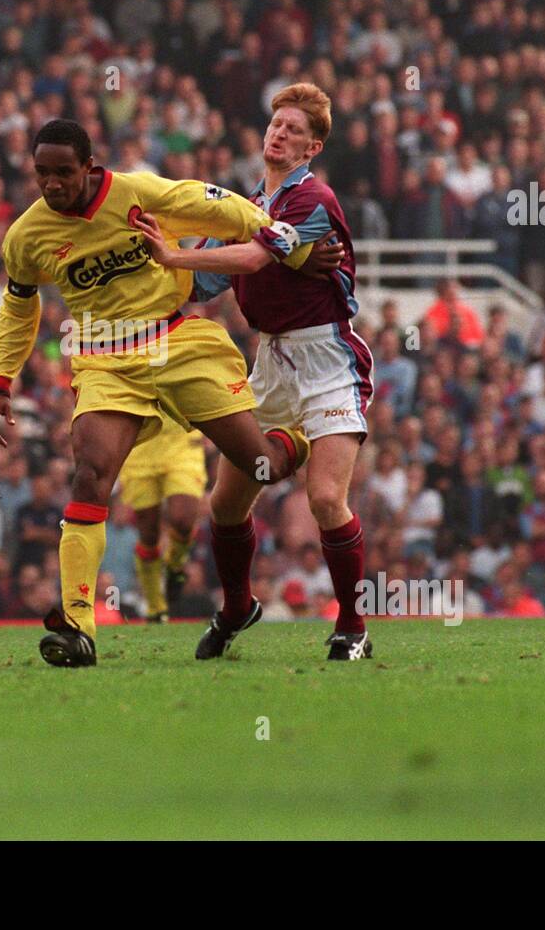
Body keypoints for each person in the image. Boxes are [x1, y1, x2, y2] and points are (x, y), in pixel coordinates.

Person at [0, 119, 338, 667]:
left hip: (176, 340)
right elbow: (19, 305)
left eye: (63, 172)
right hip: (105, 359)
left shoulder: (137, 192)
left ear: (89, 167)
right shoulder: (26, 237)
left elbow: (219, 207)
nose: (51, 184)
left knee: (262, 465)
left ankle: (306, 437)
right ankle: (78, 625)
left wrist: (286, 249)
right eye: (41, 173)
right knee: (90, 471)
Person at [136, 82, 377, 661]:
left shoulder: (312, 200)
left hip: (327, 359)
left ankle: (351, 625)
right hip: (270, 360)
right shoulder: (244, 206)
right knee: (224, 505)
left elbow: (250, 257)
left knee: (324, 499)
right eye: (276, 123)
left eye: (294, 129)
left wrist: (174, 254)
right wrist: (138, 271)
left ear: (311, 147)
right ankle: (238, 607)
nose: (279, 133)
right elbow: (201, 284)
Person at [115, 419, 207, 622]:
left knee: (183, 520)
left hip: (181, 442)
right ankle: (155, 606)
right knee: (148, 534)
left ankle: (175, 564)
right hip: (140, 447)